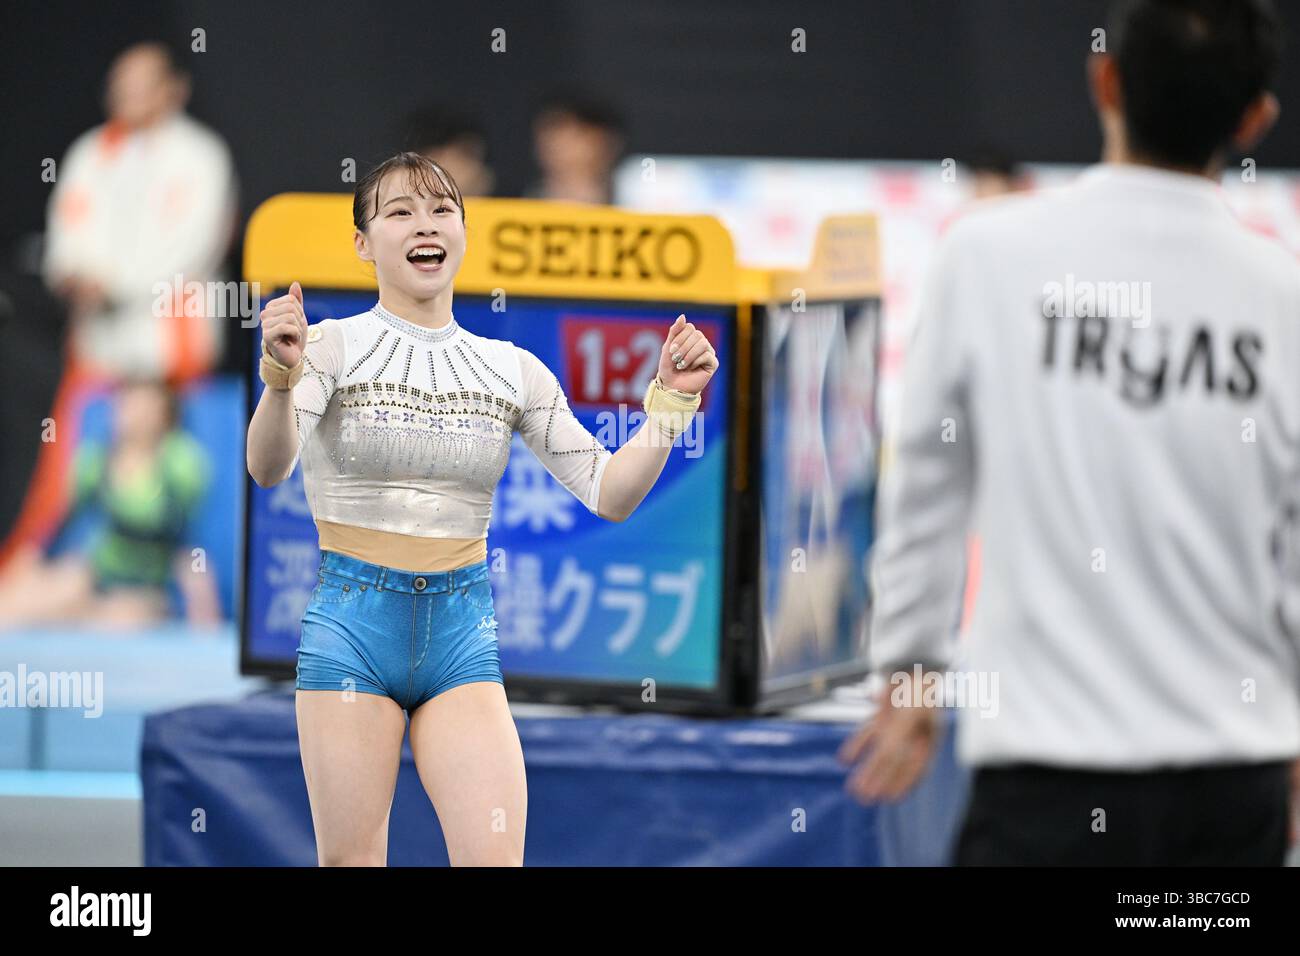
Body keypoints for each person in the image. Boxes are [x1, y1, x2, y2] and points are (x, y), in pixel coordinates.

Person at [840, 0, 1300, 865]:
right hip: (1234, 781)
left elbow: (926, 487)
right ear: (1255, 118)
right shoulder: (1281, 296)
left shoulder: (987, 256)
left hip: (1048, 773)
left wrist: (909, 670)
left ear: (1104, 80)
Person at [245, 151, 718, 866]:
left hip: (461, 636)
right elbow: (266, 465)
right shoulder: (328, 346)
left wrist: (671, 404)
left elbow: (609, 492)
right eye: (399, 212)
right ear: (363, 245)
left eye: (441, 210)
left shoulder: (514, 370)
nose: (424, 224)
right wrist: (281, 381)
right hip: (351, 630)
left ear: (464, 232)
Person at [42, 40, 237, 383]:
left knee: (171, 436)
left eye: (142, 83)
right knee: (93, 435)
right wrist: (72, 274)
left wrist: (114, 286)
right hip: (97, 344)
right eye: (121, 83)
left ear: (175, 88)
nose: (128, 93)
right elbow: (68, 226)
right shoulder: (89, 152)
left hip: (172, 345)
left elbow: (195, 246)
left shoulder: (201, 155)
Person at [0, 378, 219, 631]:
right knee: (20, 598)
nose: (127, 410)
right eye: (124, 401)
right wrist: (29, 564)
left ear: (162, 413)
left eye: (141, 404)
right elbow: (58, 525)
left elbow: (193, 545)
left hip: (146, 592)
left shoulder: (179, 465)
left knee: (115, 619)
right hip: (96, 577)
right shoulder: (96, 461)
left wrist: (204, 612)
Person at [523, 95, 625, 205]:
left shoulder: (634, 200)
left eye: (572, 137)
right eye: (548, 137)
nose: (556, 146)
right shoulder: (522, 203)